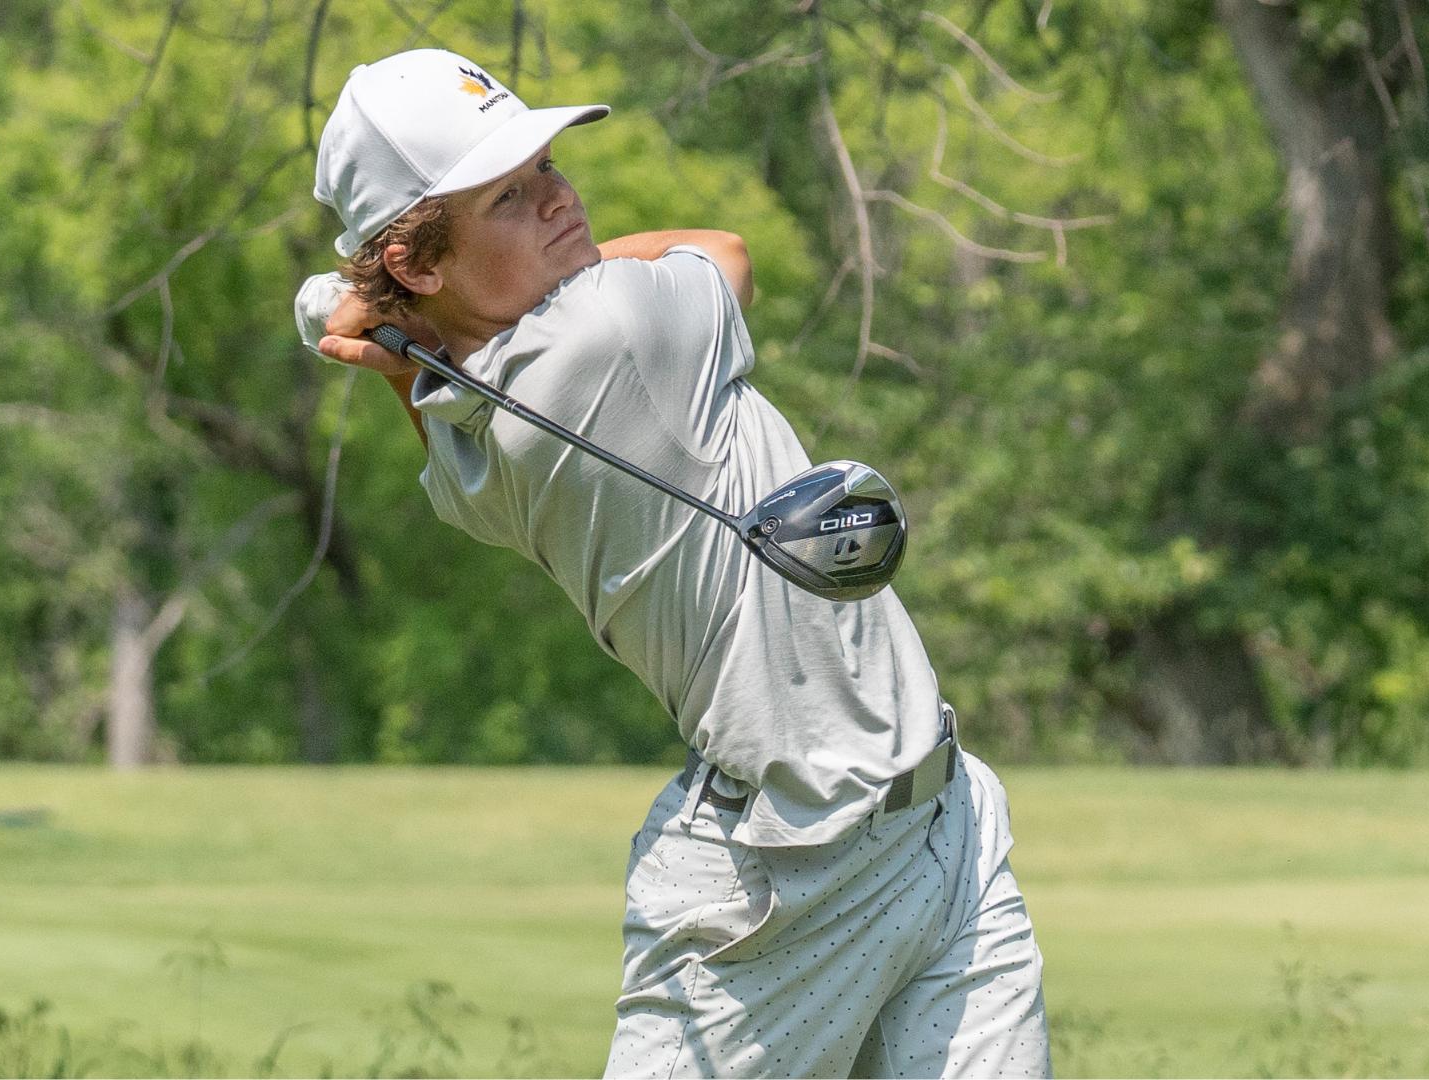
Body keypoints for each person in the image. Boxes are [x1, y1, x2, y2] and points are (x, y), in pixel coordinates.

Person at [296, 49, 1051, 1079]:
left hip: (940, 819)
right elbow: (723, 249)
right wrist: (400, 328)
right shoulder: (612, 332)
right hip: (784, 876)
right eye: (510, 198)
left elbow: (438, 401)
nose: (560, 199)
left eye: (549, 167)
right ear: (420, 261)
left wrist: (403, 334)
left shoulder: (472, 438)